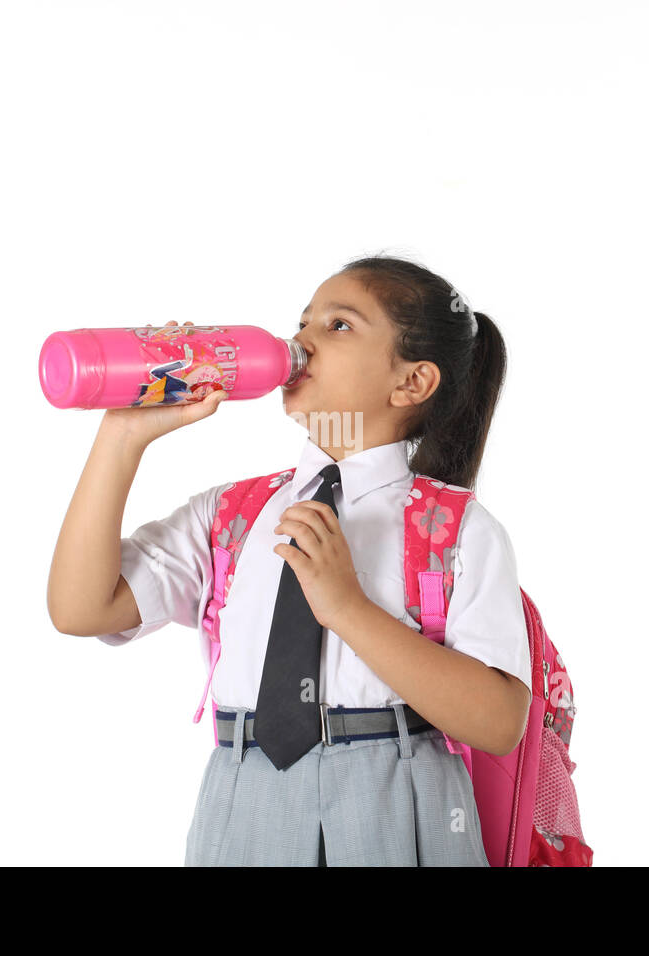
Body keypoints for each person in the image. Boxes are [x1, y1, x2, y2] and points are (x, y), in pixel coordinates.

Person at [47, 254, 532, 866]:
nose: (300, 340)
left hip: (397, 802)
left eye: (339, 325)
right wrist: (123, 433)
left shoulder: (457, 527)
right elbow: (80, 608)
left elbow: (497, 722)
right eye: (303, 321)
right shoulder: (230, 514)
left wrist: (346, 607)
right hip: (242, 795)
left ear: (412, 382)